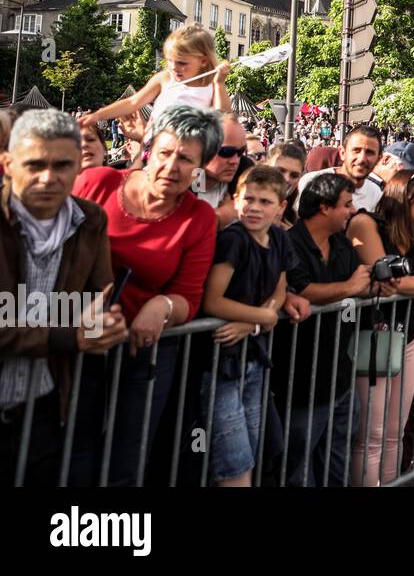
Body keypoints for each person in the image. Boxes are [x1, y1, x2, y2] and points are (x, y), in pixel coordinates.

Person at [71, 103, 222, 486]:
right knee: (72, 453)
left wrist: (163, 305)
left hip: (143, 355)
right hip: (71, 342)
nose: (172, 167)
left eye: (186, 159)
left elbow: (189, 295)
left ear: (200, 168)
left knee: (127, 461)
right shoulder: (98, 183)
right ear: (148, 149)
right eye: (166, 153)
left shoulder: (199, 218)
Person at [0, 109, 129, 486]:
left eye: (62, 165)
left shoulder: (90, 220)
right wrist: (70, 333)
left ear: (78, 167)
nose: (48, 177)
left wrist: (107, 323)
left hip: (45, 407)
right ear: (8, 164)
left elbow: (98, 299)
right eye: (35, 164)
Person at [345, 169, 414, 486]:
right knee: (371, 434)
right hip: (373, 337)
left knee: (396, 430)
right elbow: (388, 279)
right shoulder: (366, 223)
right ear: (406, 198)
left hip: (409, 338)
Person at [199, 166, 291, 486]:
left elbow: (279, 291)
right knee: (233, 457)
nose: (254, 207)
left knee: (251, 446)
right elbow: (213, 301)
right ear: (235, 200)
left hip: (253, 355)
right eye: (248, 199)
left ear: (281, 207)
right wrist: (263, 318)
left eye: (265, 202)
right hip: (220, 363)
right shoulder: (233, 240)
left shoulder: (279, 237)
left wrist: (250, 325)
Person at [279, 173, 370, 487]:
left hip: (339, 377)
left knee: (337, 458)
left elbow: (360, 284)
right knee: (298, 466)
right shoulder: (289, 243)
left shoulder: (342, 245)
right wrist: (348, 287)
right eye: (346, 204)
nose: (351, 211)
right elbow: (302, 289)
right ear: (323, 208)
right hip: (300, 380)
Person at [79, 26, 231, 130]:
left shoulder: (211, 85)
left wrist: (219, 84)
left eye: (182, 63)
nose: (173, 67)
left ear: (203, 61)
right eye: (170, 60)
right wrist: (99, 115)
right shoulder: (165, 78)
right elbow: (134, 102)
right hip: (155, 149)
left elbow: (224, 120)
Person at [298, 124, 384, 214]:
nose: (362, 158)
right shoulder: (311, 182)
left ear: (378, 159)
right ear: (343, 153)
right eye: (356, 150)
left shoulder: (376, 193)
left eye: (369, 153)